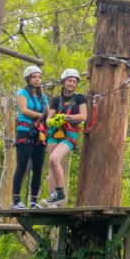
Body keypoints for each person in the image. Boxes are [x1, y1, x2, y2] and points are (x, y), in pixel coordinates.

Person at [43, 68, 88, 206]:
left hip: (69, 133)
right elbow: (49, 118)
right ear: (63, 82)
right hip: (54, 133)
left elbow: (83, 116)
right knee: (53, 165)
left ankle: (60, 193)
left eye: (74, 81)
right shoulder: (56, 99)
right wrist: (52, 121)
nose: (72, 84)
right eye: (69, 80)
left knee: (54, 159)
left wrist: (66, 117)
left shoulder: (80, 98)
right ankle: (53, 201)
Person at [12, 65, 48, 209]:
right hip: (25, 131)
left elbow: (48, 113)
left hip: (39, 134)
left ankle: (33, 201)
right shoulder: (22, 92)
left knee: (38, 168)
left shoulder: (42, 97)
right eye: (34, 77)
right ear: (28, 78)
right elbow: (24, 110)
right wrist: (41, 116)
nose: (37, 80)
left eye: (39, 77)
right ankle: (16, 201)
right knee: (22, 165)